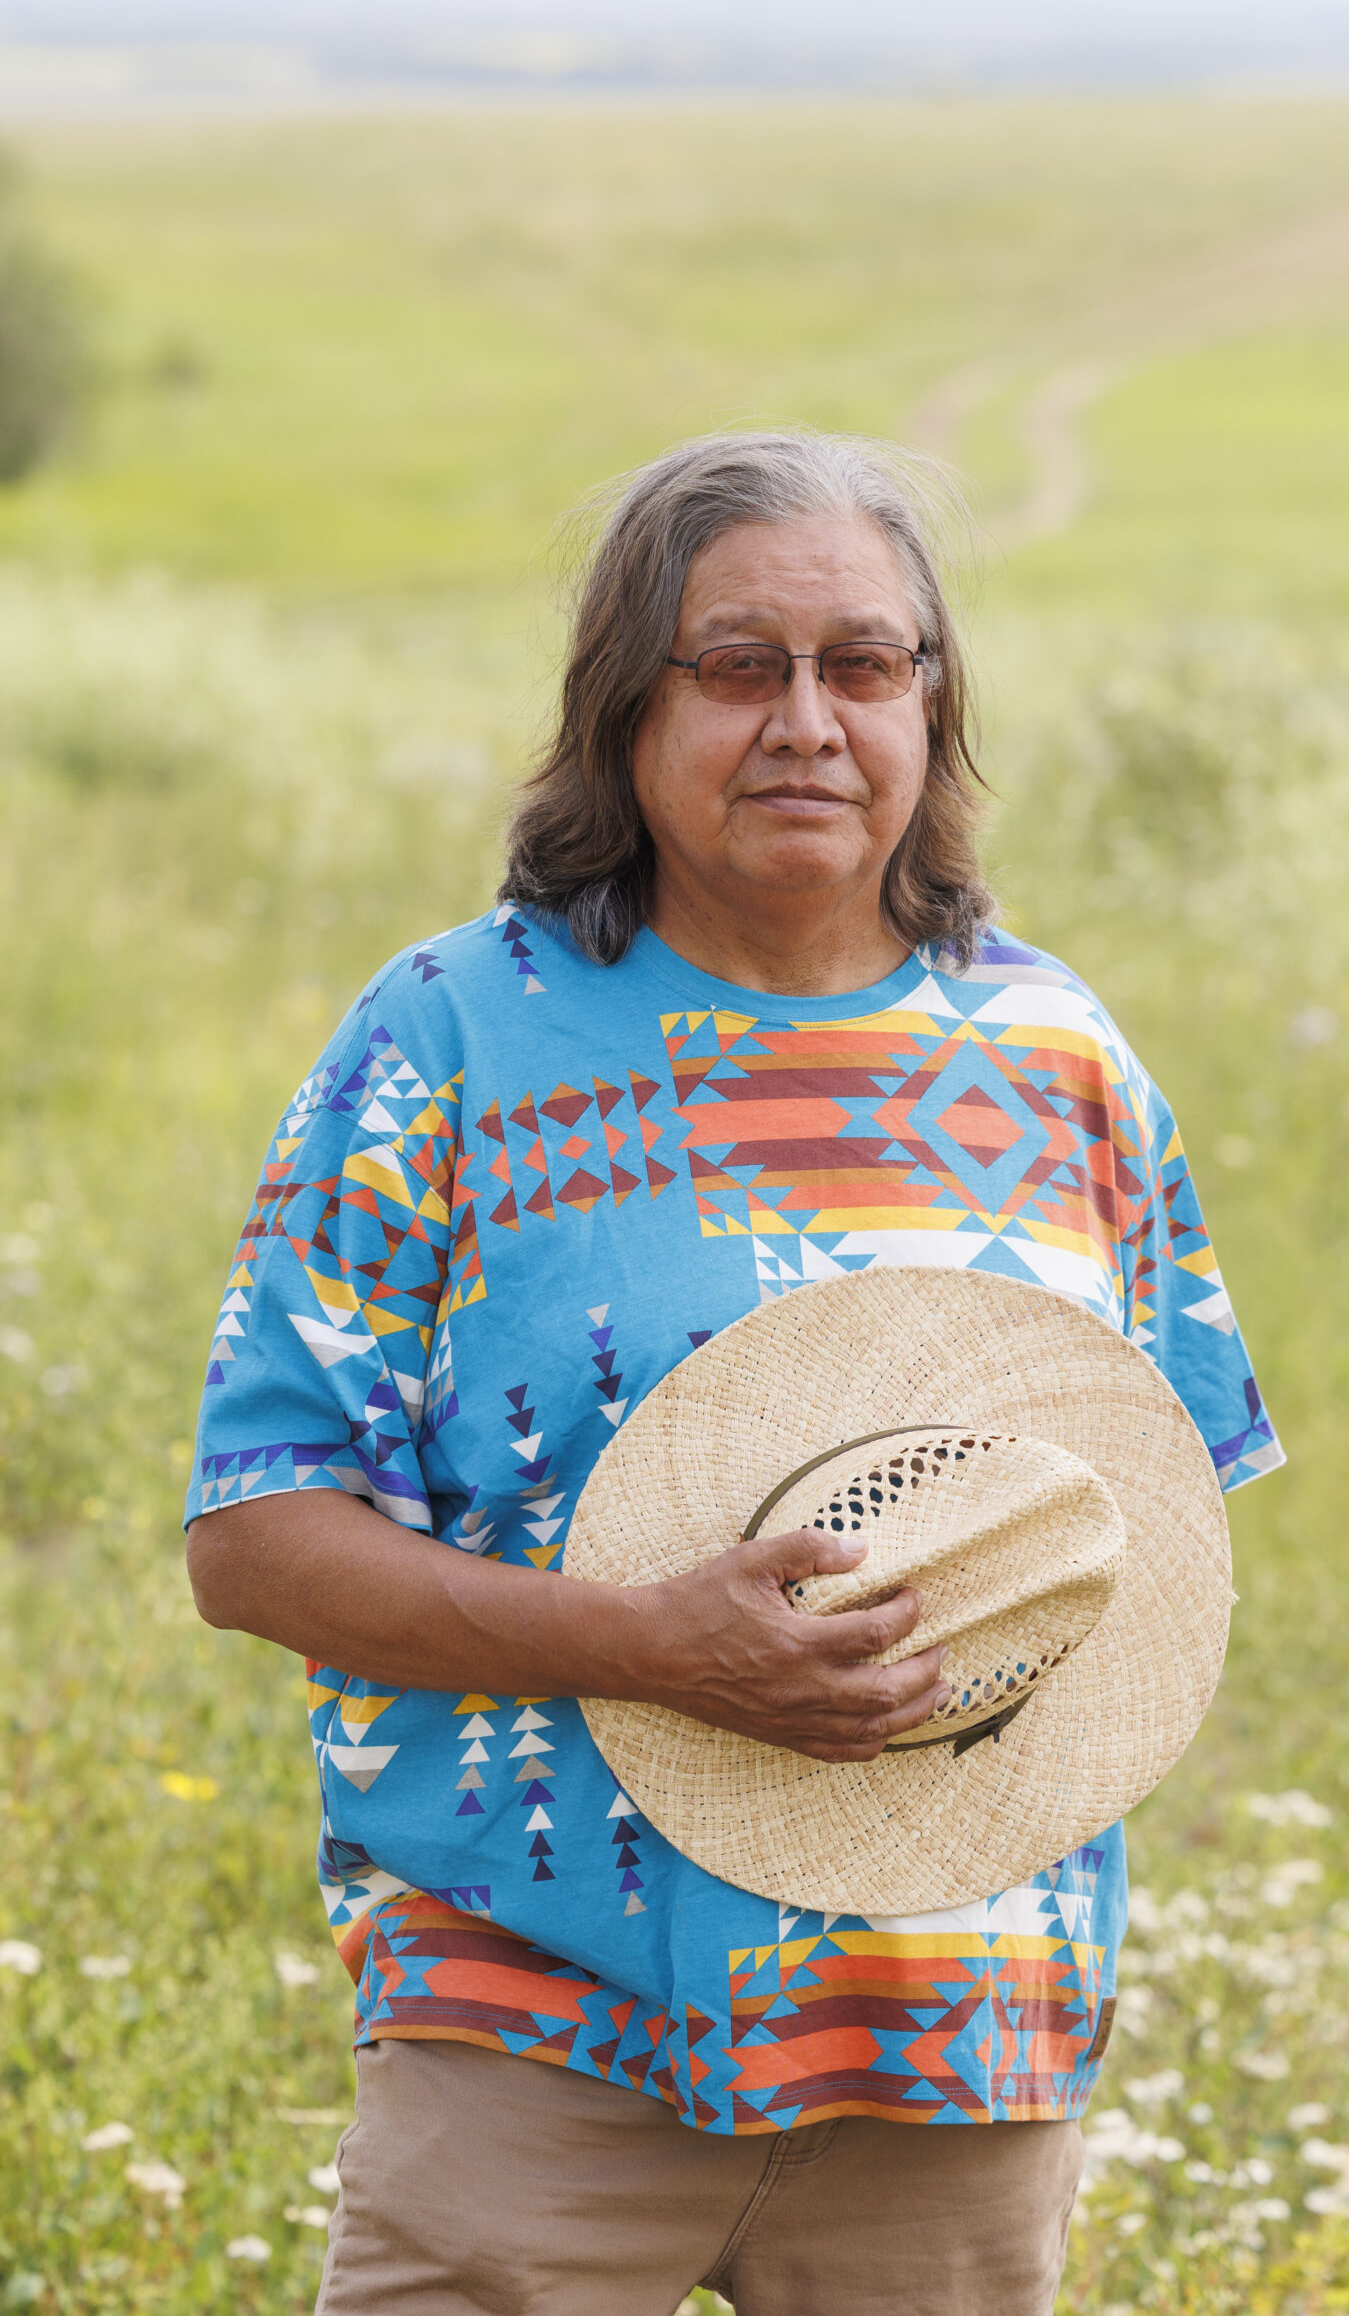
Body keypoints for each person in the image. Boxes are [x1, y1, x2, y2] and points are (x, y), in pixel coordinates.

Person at [186, 430, 1282, 2316]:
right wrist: (645, 1646)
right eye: (739, 667)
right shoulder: (449, 1039)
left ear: (931, 706)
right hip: (535, 2035)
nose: (807, 723)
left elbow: (1158, 1526)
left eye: (864, 665)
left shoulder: (1059, 1058)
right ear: (627, 707)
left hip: (958, 2047)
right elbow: (254, 1537)